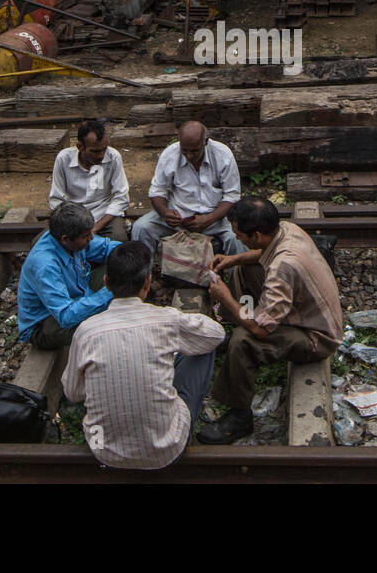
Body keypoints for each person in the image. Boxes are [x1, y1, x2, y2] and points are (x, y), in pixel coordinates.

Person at [61, 241, 225, 470]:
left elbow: (73, 393)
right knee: (203, 348)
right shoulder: (166, 319)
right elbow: (216, 335)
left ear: (106, 283)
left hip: (104, 450)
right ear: (147, 282)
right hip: (168, 448)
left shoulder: (86, 331)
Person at [198, 196, 343, 444]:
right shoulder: (286, 228)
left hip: (316, 338)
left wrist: (225, 296)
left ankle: (239, 416)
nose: (238, 240)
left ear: (255, 234)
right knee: (246, 268)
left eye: (240, 235)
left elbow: (259, 330)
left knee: (245, 339)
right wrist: (234, 259)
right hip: (307, 312)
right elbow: (262, 254)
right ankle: (243, 324)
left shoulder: (282, 268)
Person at [131, 121, 247, 257]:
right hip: (179, 216)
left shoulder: (223, 155)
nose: (189, 155)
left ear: (206, 142)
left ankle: (238, 277)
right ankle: (143, 277)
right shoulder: (170, 155)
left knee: (237, 238)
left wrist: (208, 219)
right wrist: (165, 213)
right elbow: (157, 191)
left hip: (216, 217)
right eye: (184, 150)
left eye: (194, 150)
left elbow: (232, 196)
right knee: (141, 228)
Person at [17, 201, 121, 349]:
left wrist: (131, 255)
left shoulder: (73, 239)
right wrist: (112, 291)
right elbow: (66, 316)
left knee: (122, 270)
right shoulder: (45, 265)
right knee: (101, 328)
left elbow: (107, 248)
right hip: (46, 323)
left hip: (78, 296)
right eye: (86, 236)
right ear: (66, 239)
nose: (91, 238)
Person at [49, 120, 130, 242]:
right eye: (95, 151)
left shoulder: (113, 157)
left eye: (104, 149)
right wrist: (74, 224)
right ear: (80, 147)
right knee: (46, 243)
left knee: (118, 240)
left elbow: (121, 198)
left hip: (104, 215)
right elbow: (56, 199)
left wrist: (96, 228)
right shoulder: (63, 159)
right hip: (73, 217)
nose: (101, 155)